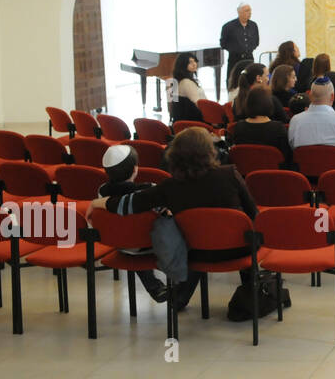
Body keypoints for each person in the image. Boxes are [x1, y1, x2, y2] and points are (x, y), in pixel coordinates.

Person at [89, 128, 258, 310]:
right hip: (240, 249)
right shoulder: (230, 174)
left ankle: (178, 299)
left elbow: (129, 204)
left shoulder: (169, 187)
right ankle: (253, 294)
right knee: (247, 233)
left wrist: (98, 202)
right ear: (210, 151)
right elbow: (253, 214)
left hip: (196, 253)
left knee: (195, 238)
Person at [97, 145, 168, 302]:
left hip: (118, 243)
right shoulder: (148, 191)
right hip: (148, 245)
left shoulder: (102, 192)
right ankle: (175, 291)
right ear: (135, 169)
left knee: (132, 240)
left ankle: (156, 287)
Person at [288, 77, 335, 157]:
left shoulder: (296, 121)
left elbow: (293, 148)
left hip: (306, 168)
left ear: (310, 96)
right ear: (332, 96)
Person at [230, 86, 293, 163]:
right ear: (269, 103)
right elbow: (286, 158)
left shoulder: (238, 127)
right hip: (273, 173)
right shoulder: (278, 128)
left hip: (245, 173)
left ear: (247, 104)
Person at [219, 2, 260, 74]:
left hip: (249, 58)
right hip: (235, 60)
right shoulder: (228, 26)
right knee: (234, 79)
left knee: (249, 79)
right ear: (239, 12)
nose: (250, 13)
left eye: (250, 10)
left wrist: (250, 48)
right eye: (247, 11)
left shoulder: (253, 25)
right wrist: (235, 49)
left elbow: (256, 41)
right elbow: (223, 43)